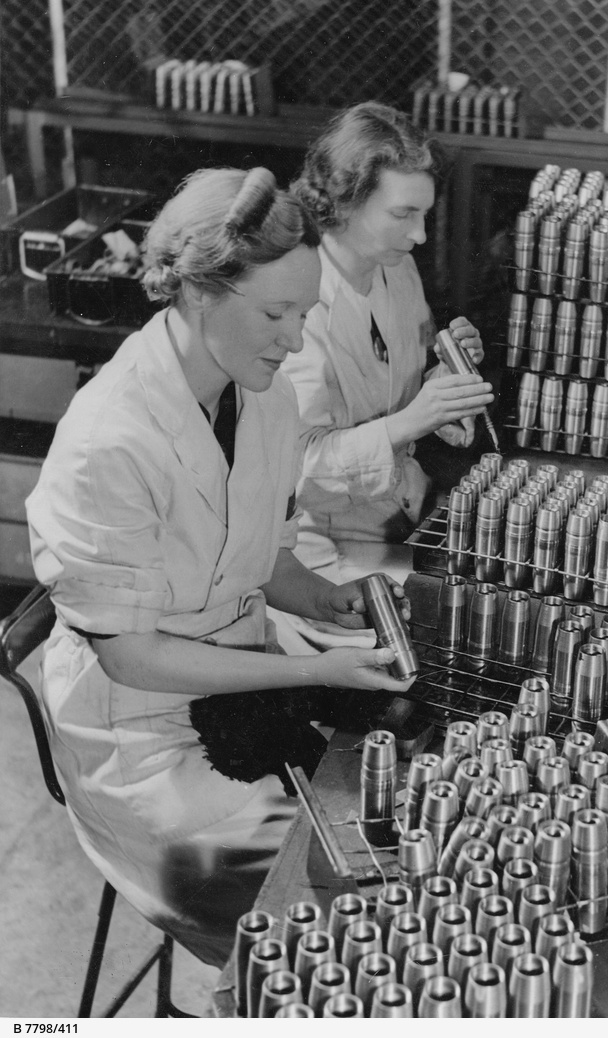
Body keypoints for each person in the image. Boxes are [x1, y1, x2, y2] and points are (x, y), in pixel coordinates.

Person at [25, 167, 414, 968]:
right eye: (275, 313)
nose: (295, 340)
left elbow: (262, 557)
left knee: (386, 827)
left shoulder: (263, 394)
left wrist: (330, 599)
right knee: (338, 908)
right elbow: (132, 658)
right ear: (201, 291)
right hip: (141, 738)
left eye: (304, 314)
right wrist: (320, 672)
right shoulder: (111, 439)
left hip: (236, 687)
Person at [286, 101, 494, 589]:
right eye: (402, 214)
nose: (419, 235)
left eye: (423, 215)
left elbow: (398, 390)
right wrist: (414, 420)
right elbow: (296, 475)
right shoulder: (296, 302)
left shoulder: (395, 268)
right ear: (344, 202)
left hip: (404, 510)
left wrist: (448, 375)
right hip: (321, 550)